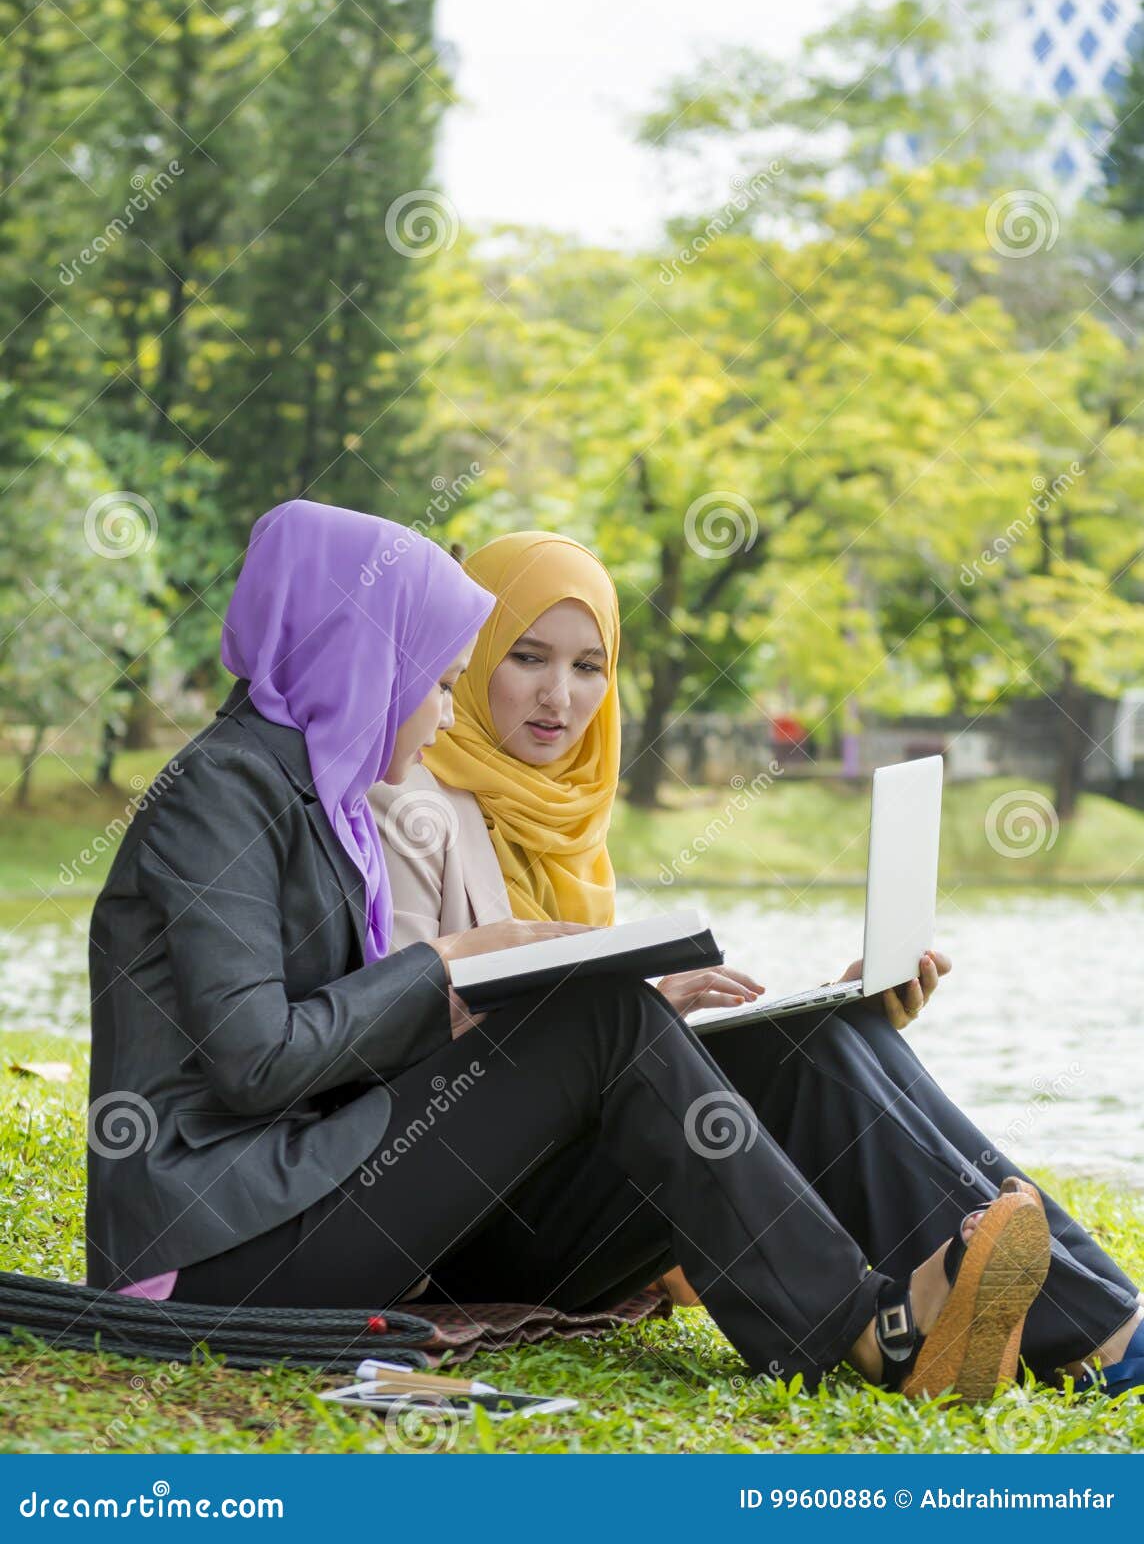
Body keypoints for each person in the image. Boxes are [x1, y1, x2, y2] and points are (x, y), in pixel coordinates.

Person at [84, 500, 1045, 1402]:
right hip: (216, 1248)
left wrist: (485, 985)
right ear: (363, 660)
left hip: (313, 1201)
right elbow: (259, 1063)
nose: (450, 711)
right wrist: (456, 961)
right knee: (603, 1018)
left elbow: (340, 1051)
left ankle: (1002, 1314)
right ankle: (859, 1331)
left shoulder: (315, 796)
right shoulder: (219, 793)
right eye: (440, 678)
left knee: (704, 1041)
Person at [371, 529, 1144, 1395]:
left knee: (822, 1034)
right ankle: (1041, 1332)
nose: (561, 695)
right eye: (526, 657)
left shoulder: (568, 821)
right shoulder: (409, 800)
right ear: (467, 657)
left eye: (590, 666)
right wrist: (635, 1018)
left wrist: (689, 1022)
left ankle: (1104, 1324)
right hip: (477, 1218)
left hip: (575, 1169)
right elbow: (391, 1042)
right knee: (782, 1050)